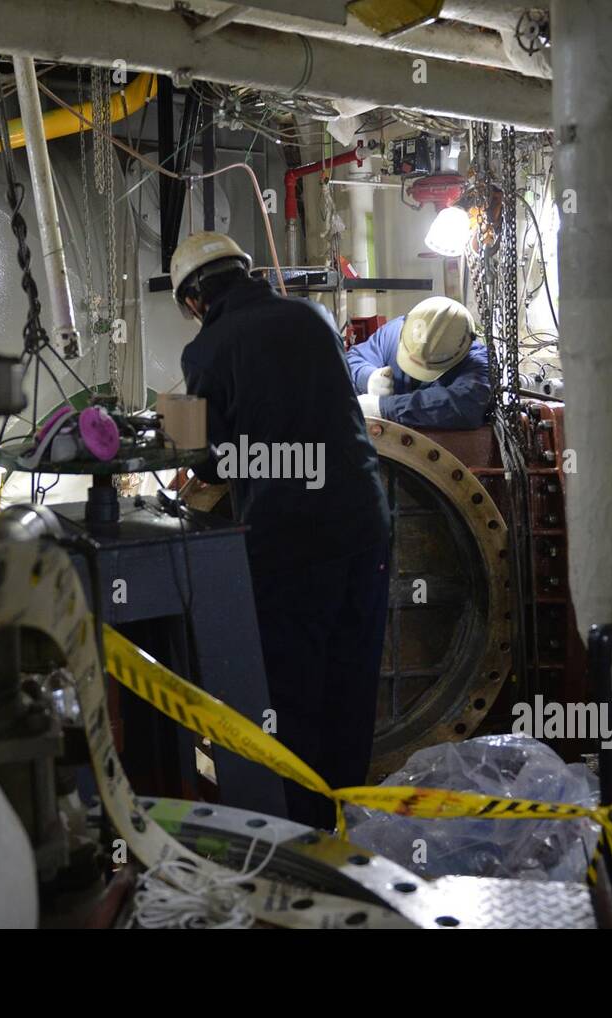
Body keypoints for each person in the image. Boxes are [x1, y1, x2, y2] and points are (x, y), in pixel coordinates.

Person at [172, 231, 391, 830]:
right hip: (365, 522)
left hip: (290, 540)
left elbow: (213, 461)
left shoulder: (208, 350)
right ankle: (349, 822)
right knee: (351, 682)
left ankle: (304, 836)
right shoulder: (313, 315)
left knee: (292, 694)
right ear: (244, 271)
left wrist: (180, 429)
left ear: (195, 298)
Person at [346, 295, 492, 430]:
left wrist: (383, 408)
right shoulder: (395, 332)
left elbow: (464, 406)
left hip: (430, 451)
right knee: (323, 447)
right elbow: (351, 361)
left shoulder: (477, 362)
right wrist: (368, 377)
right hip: (380, 445)